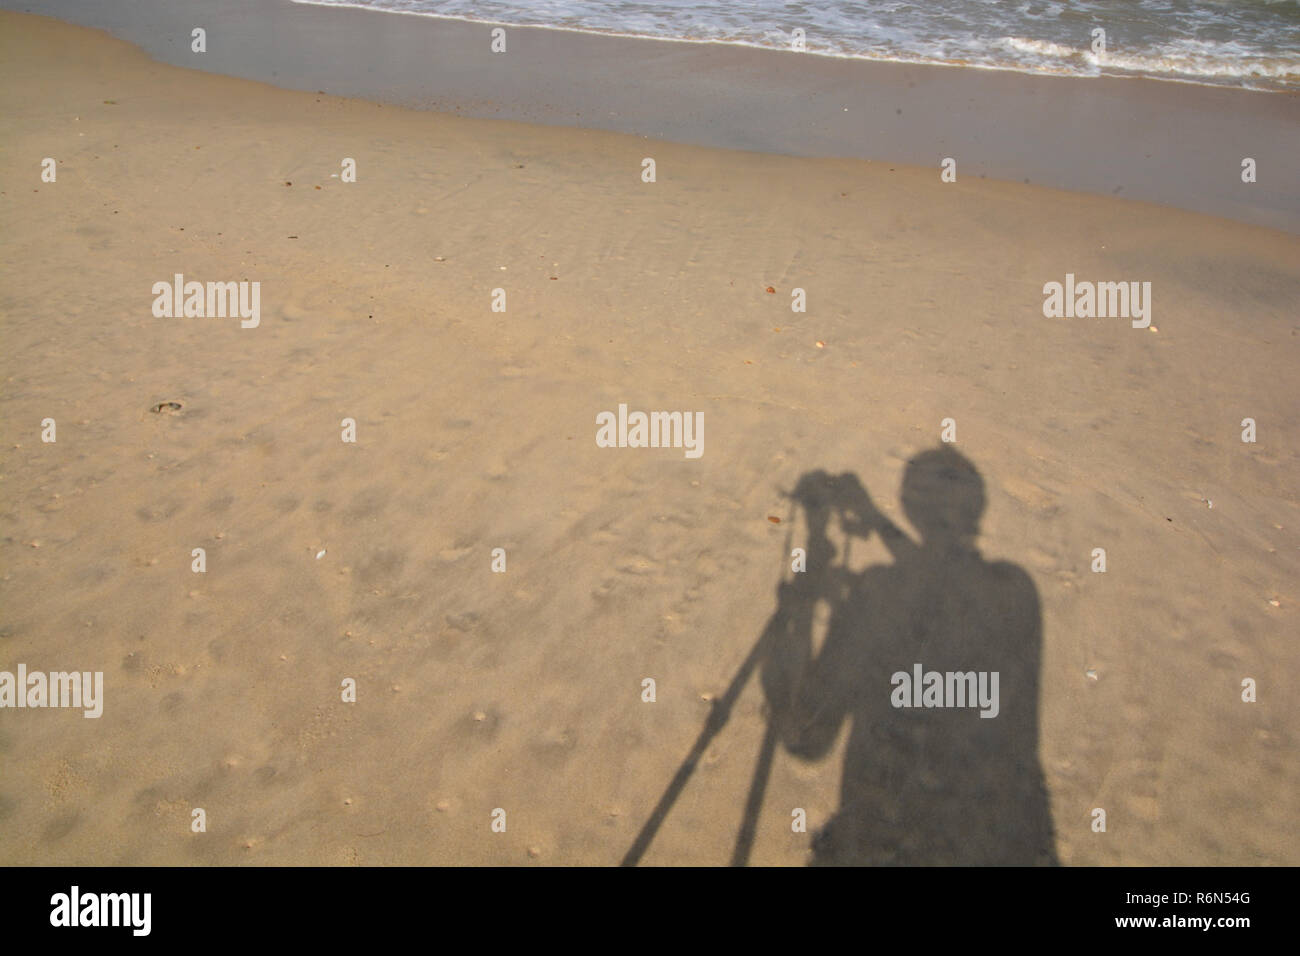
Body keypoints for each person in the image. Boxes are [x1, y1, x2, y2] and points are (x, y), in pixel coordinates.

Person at [761, 448, 1058, 865]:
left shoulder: (878, 594)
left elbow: (807, 737)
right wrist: (876, 522)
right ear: (979, 510)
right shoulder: (1016, 592)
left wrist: (802, 594)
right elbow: (946, 586)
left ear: (908, 508)